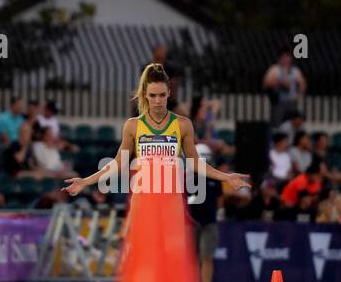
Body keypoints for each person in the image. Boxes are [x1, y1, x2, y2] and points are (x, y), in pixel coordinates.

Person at [63, 63, 248, 204]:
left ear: (169, 93)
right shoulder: (133, 125)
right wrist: (85, 182)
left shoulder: (183, 124)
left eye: (161, 95)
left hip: (171, 198)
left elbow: (196, 164)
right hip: (143, 199)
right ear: (145, 95)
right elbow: (118, 163)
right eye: (152, 95)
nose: (158, 100)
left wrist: (227, 177)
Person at [262, 49, 306, 127]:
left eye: (288, 57)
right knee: (277, 125)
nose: (286, 60)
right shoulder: (274, 69)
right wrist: (280, 83)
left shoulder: (295, 71)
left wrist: (297, 96)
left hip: (291, 103)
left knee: (297, 120)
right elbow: (266, 83)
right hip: (279, 102)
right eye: (284, 57)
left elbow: (302, 84)